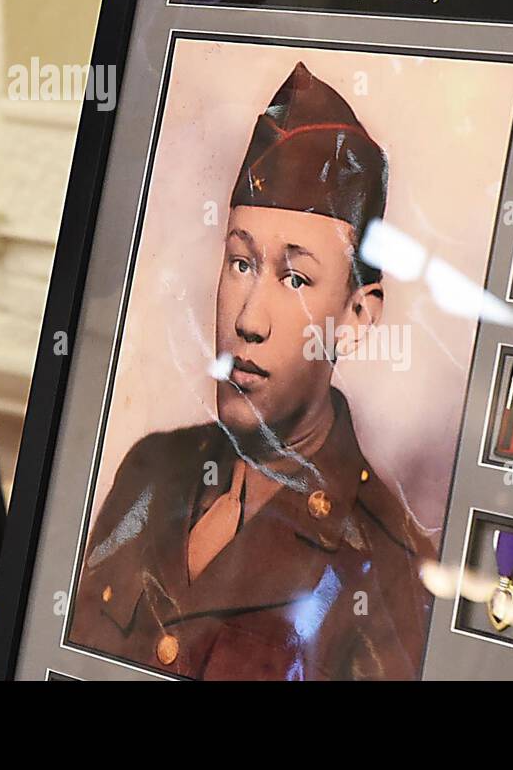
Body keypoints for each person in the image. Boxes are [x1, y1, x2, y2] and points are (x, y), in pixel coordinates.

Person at [70, 62, 435, 680]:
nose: (248, 320)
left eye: (295, 278)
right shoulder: (149, 474)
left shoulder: (390, 572)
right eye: (241, 263)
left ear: (356, 316)